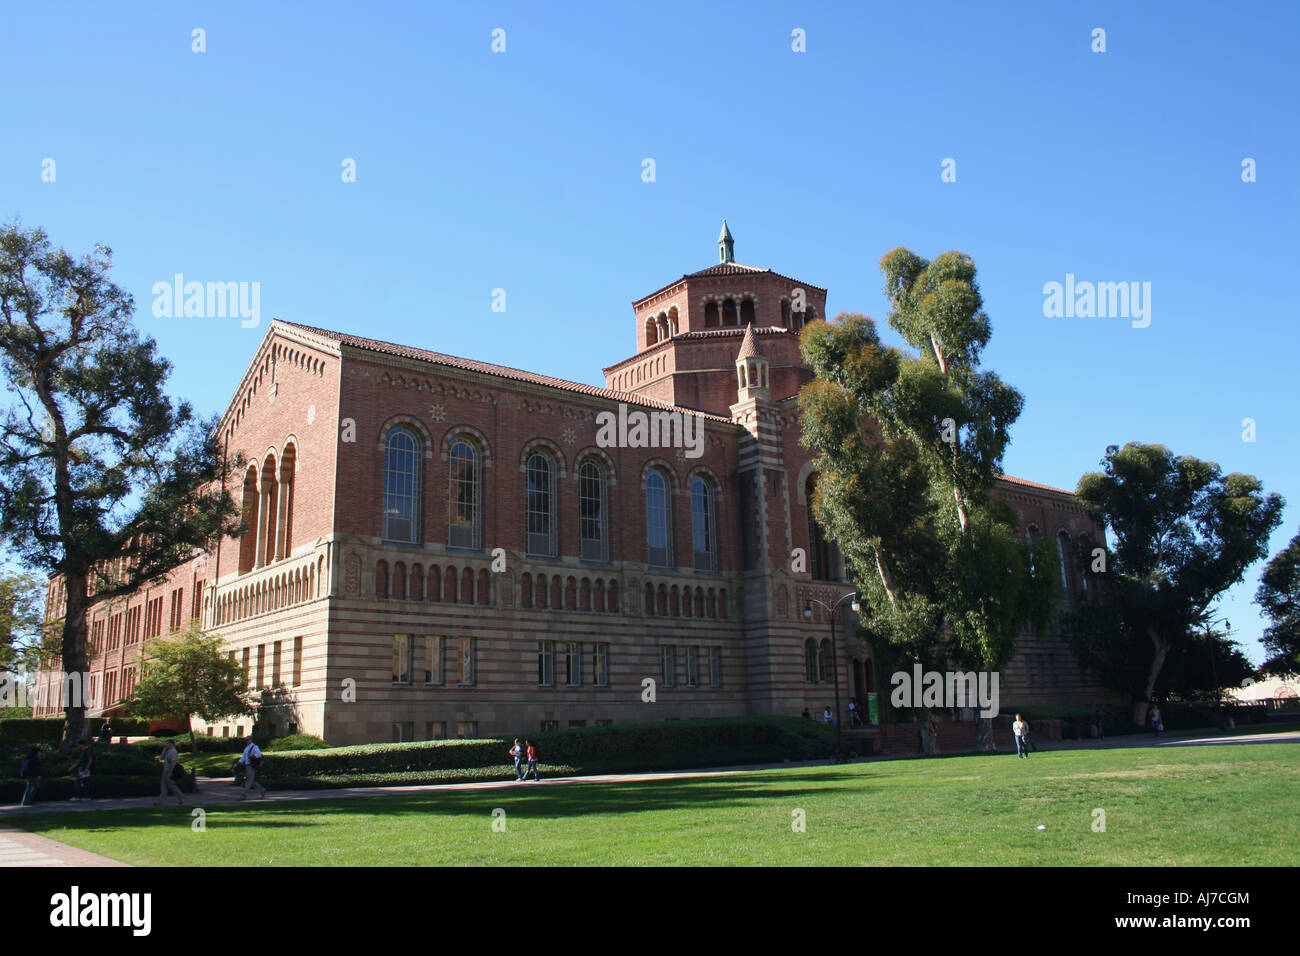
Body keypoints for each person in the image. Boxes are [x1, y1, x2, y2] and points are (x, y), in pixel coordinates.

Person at [154, 739, 184, 806]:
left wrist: (170, 772)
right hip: (165, 771)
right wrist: (164, 750)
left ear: (171, 744)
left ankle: (181, 797)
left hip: (169, 771)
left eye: (167, 744)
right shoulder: (168, 751)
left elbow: (173, 763)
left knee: (172, 786)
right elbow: (161, 758)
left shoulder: (173, 752)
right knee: (164, 787)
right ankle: (160, 802)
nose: (165, 745)